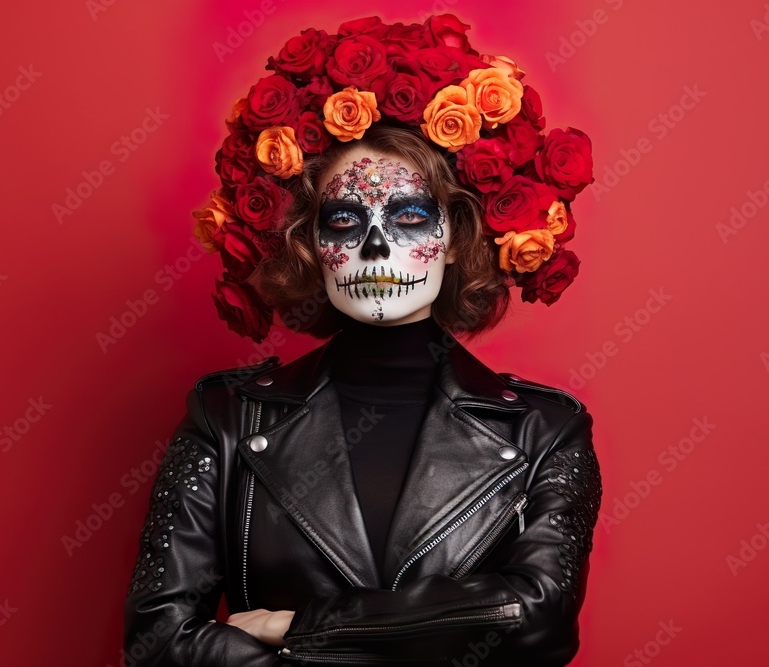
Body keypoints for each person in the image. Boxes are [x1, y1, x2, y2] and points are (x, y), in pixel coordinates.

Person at [123, 13, 601, 666]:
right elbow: (156, 642)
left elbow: (538, 620)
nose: (376, 247)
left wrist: (302, 628)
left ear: (457, 238)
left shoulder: (546, 431)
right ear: (310, 245)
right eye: (345, 220)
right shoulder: (227, 419)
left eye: (408, 217)